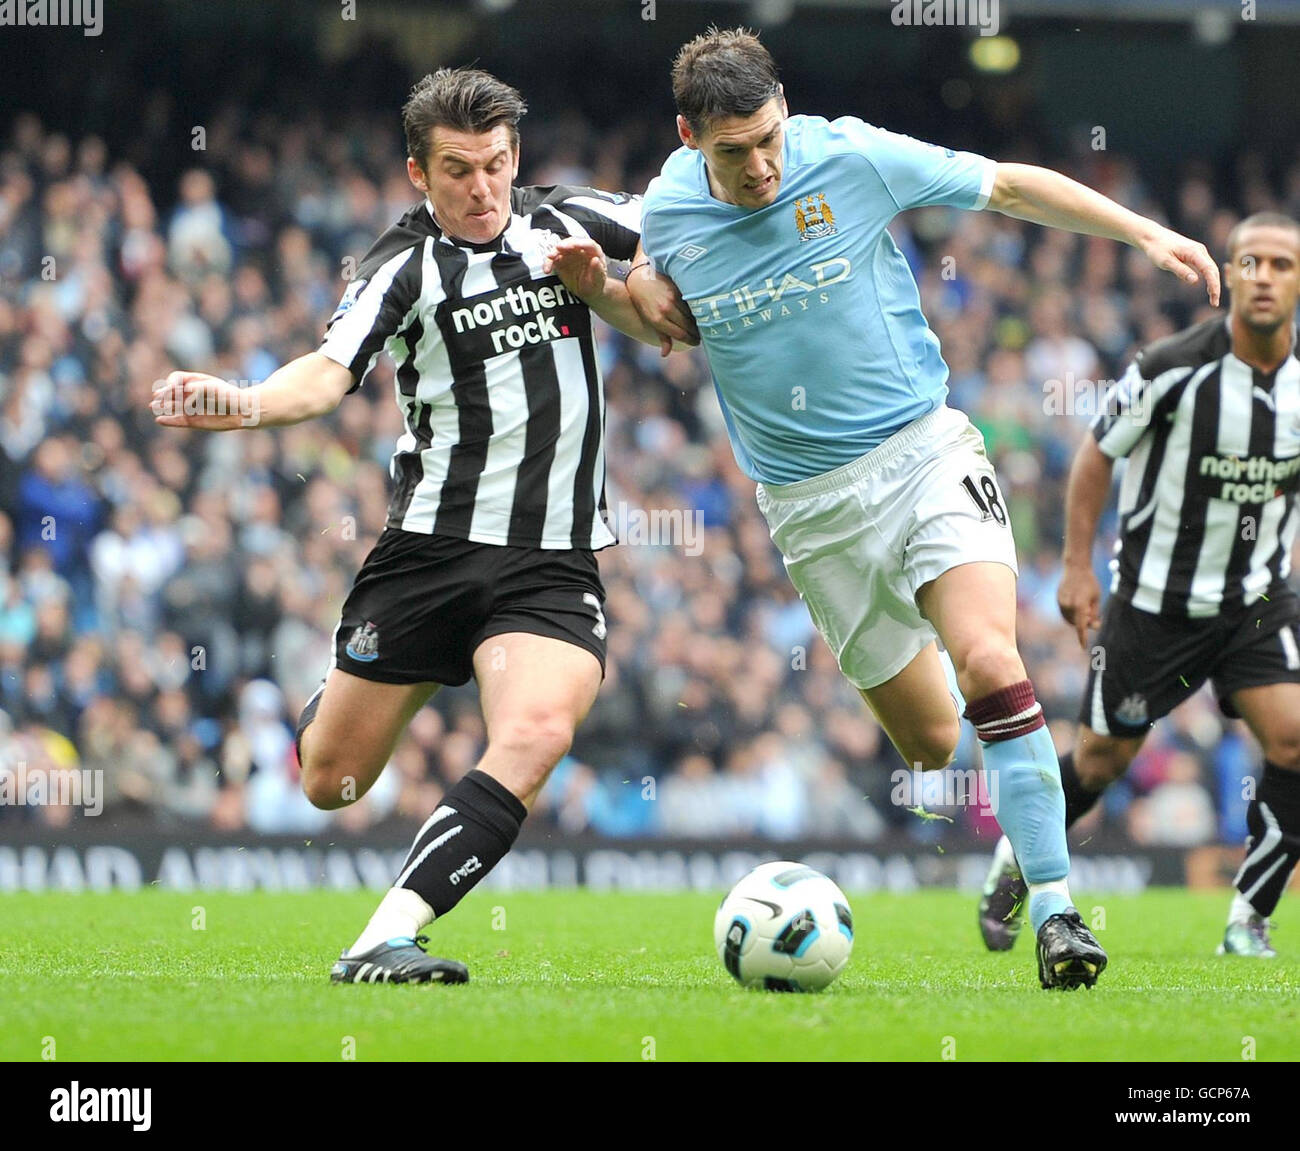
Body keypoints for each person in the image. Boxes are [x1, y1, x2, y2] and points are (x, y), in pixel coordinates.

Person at [627, 27, 1220, 989]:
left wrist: (1142, 231)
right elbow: (651, 302)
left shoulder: (852, 154)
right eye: (733, 152)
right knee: (933, 739)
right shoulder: (666, 211)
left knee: (992, 659)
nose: (761, 166)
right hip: (810, 510)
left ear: (786, 109)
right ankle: (1021, 822)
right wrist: (624, 285)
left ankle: (1060, 912)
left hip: (922, 454)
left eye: (770, 137)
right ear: (690, 137)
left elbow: (1009, 185)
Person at [151, 67, 683, 984]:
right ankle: (330, 705)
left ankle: (382, 935)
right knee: (333, 782)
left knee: (540, 728)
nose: (482, 189)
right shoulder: (399, 265)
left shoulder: (573, 220)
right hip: (429, 551)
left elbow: (687, 253)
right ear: (416, 174)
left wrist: (627, 285)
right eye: (458, 171)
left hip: (550, 560)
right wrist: (240, 402)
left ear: (516, 156)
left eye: (496, 165)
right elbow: (324, 374)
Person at [980, 212, 1300, 958]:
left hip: (1254, 600)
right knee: (1101, 761)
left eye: (1281, 265)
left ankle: (1247, 919)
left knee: (1292, 738)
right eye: (1249, 262)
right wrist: (1075, 566)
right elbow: (1096, 456)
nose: (1263, 277)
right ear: (1228, 274)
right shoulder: (1171, 366)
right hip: (1153, 605)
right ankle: (1016, 853)